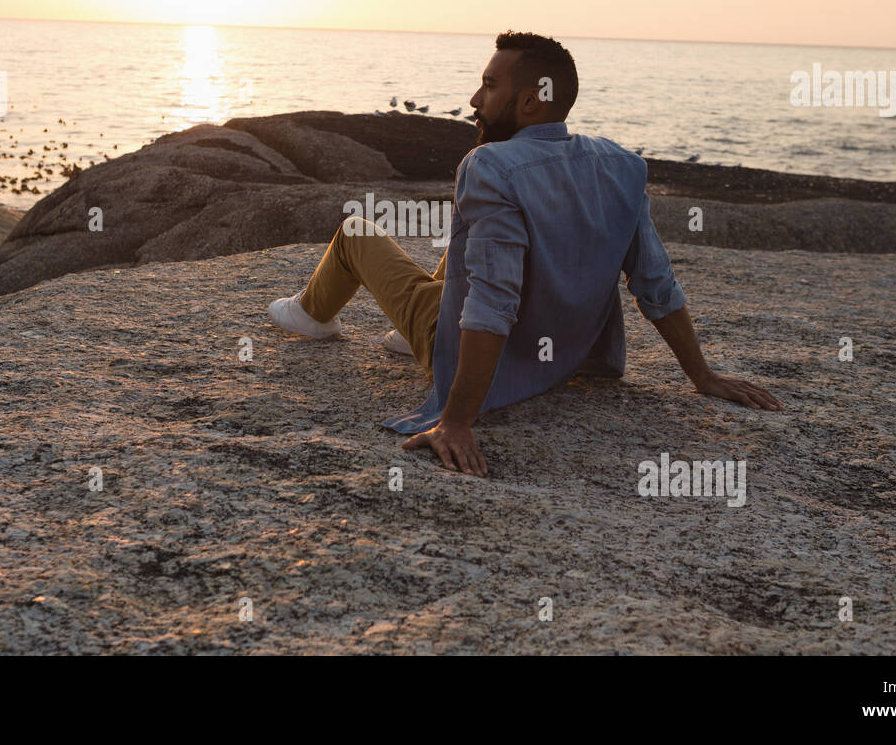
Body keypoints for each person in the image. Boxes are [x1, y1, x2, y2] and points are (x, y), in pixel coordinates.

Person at [269, 30, 783, 478]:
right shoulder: (621, 165)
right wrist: (702, 375)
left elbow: (494, 299)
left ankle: (313, 316)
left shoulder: (488, 165)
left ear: (534, 98)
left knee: (357, 229)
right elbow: (654, 280)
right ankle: (409, 331)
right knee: (474, 236)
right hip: (564, 359)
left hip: (478, 352)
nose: (474, 99)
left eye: (490, 86)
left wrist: (456, 421)